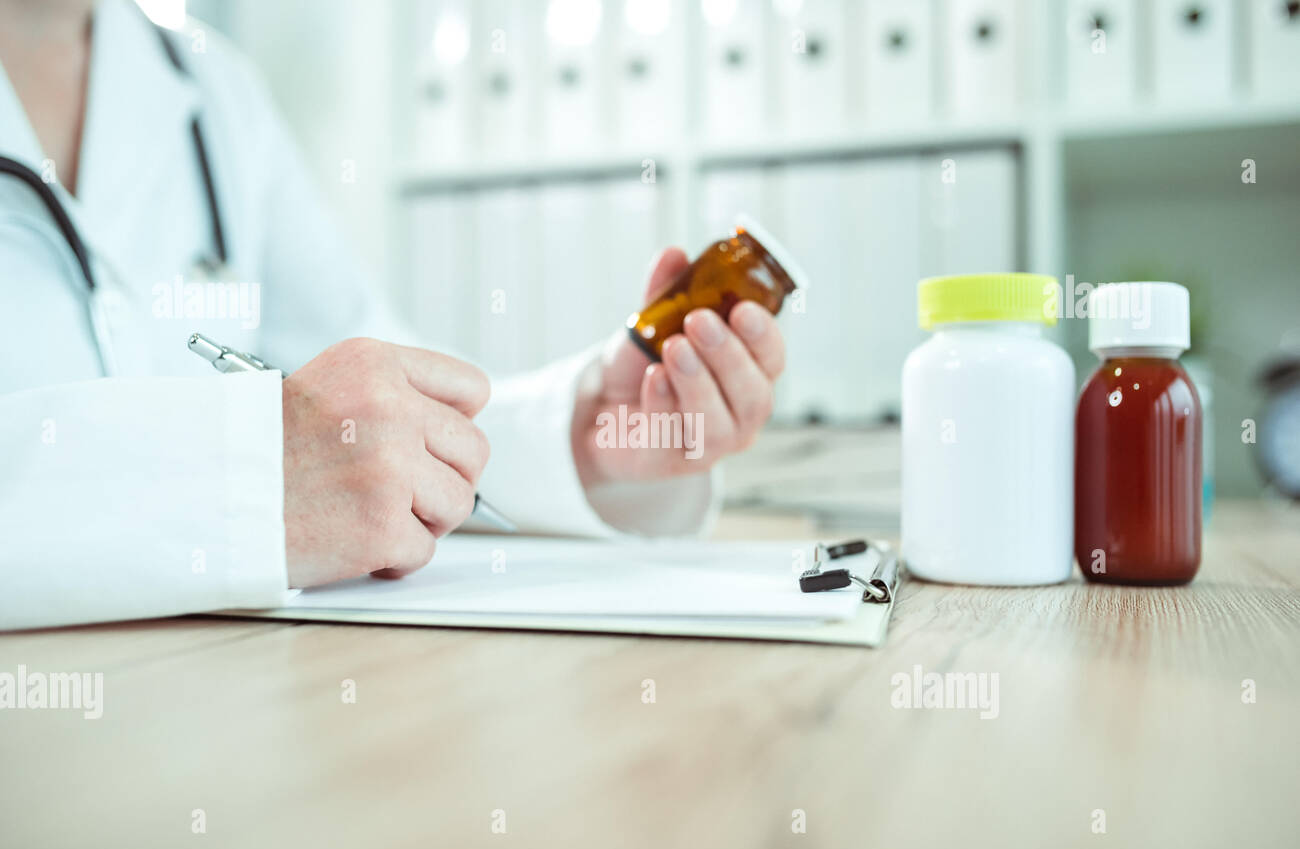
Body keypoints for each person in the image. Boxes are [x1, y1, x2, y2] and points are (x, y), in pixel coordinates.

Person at [0, 0, 787, 630]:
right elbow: (297, 461)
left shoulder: (214, 92)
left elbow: (374, 409)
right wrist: (245, 474)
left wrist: (585, 436)